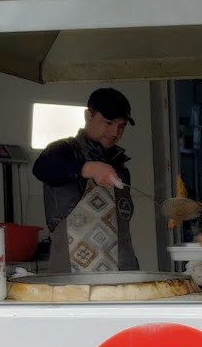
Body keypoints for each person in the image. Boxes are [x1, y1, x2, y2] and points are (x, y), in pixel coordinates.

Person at [32, 87, 139, 273]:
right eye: (108, 122)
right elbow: (42, 168)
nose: (114, 132)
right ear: (88, 116)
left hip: (122, 270)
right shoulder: (63, 150)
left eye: (121, 126)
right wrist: (86, 168)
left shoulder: (120, 165)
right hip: (73, 270)